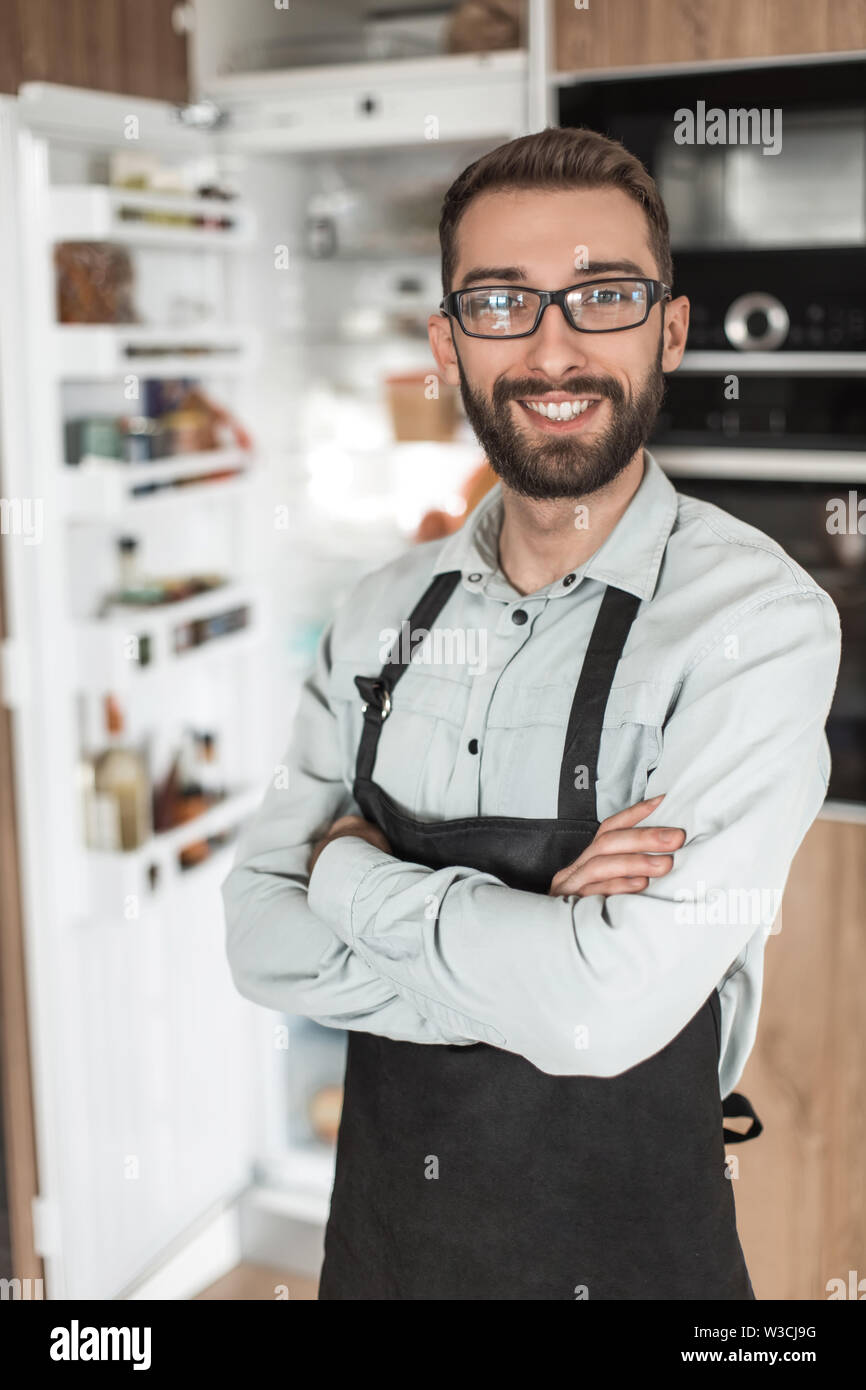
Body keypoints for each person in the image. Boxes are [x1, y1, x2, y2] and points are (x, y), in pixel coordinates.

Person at [221, 126, 841, 1300]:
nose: (552, 349)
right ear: (445, 345)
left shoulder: (755, 623)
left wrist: (351, 879)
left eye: (601, 295)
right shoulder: (376, 615)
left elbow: (604, 1020)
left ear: (668, 327)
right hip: (383, 1256)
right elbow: (257, 938)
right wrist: (535, 949)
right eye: (501, 301)